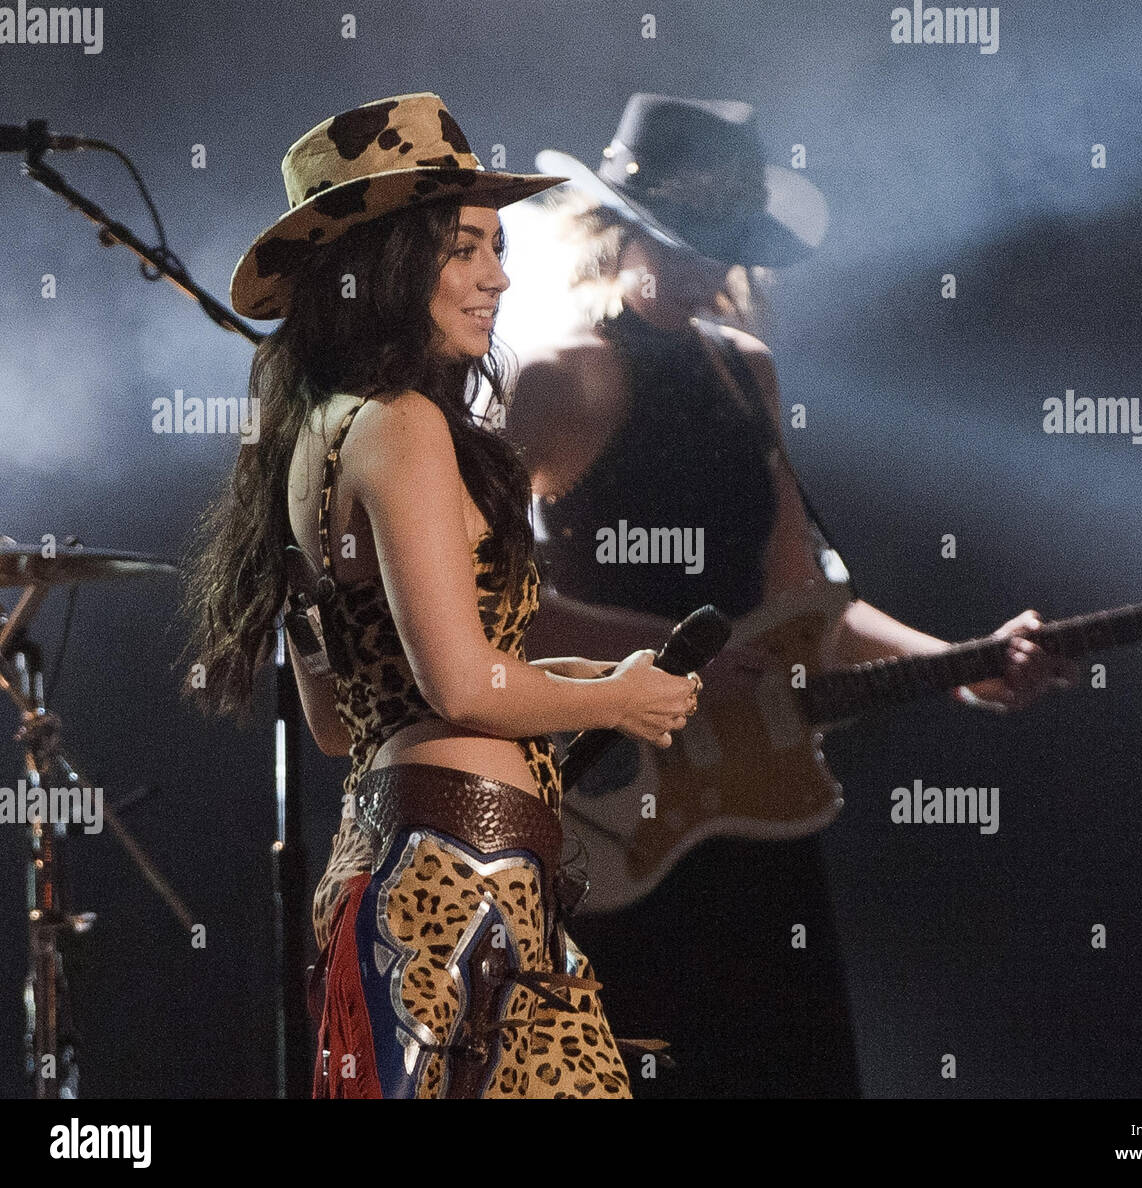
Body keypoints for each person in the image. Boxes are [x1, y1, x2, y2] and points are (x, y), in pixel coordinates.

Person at [504, 94, 1070, 1097]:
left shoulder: (740, 371)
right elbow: (479, 604)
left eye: (725, 239)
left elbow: (806, 605)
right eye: (683, 236)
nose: (704, 262)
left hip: (751, 803)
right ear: (617, 224)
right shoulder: (558, 376)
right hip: (609, 809)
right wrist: (669, 659)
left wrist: (964, 665)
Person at [180, 92, 699, 1099]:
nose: (498, 278)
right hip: (466, 883)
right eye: (465, 249)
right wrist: (614, 701)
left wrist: (562, 678)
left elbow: (348, 718)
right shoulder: (406, 426)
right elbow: (462, 689)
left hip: (394, 871)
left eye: (498, 247)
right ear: (382, 261)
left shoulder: (313, 436)